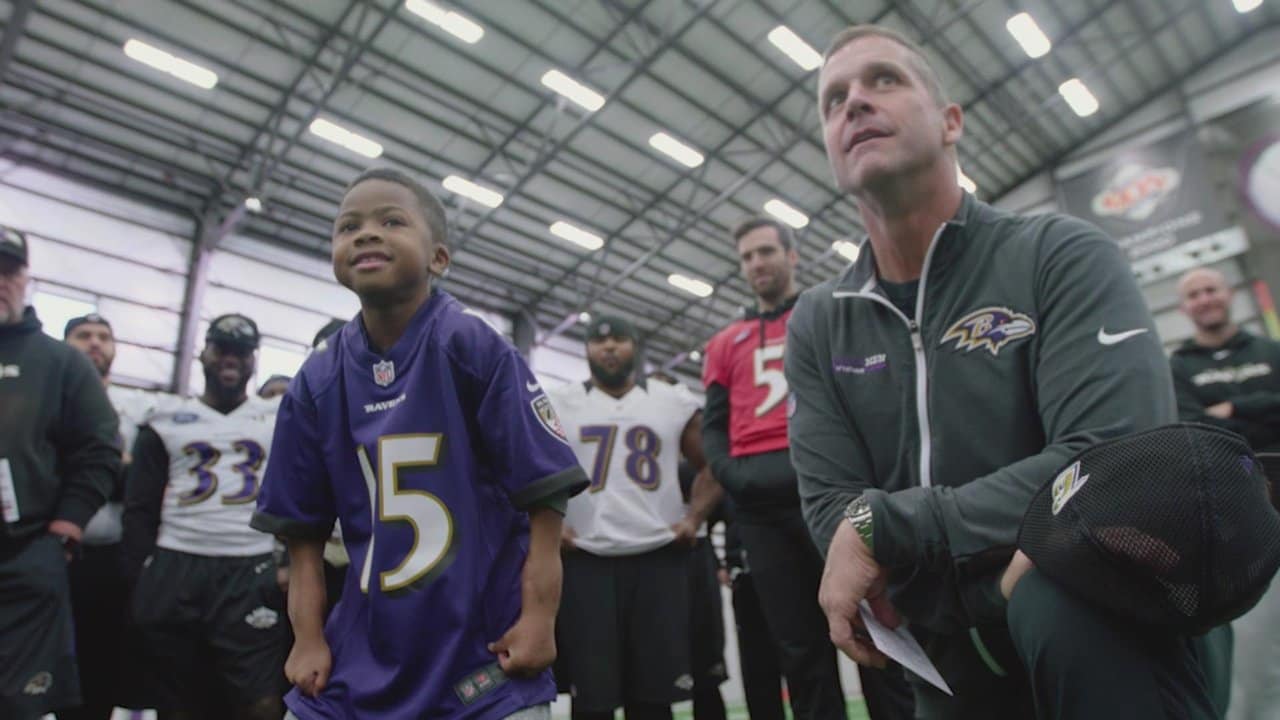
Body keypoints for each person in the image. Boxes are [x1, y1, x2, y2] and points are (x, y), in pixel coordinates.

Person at [788, 25, 1223, 719]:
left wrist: (890, 526)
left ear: (951, 121)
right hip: (939, 645)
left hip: (1097, 613)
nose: (854, 103)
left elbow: (1111, 461)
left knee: (1064, 590)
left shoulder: (1059, 254)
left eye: (884, 81)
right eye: (834, 99)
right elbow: (830, 511)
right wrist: (928, 566)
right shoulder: (817, 322)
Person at [251, 167, 588, 720]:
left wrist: (539, 618)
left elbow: (545, 495)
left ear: (439, 258)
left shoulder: (471, 346)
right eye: (348, 226)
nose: (365, 234)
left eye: (391, 221)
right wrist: (307, 638)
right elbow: (302, 535)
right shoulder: (315, 379)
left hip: (481, 658)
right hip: (360, 655)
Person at [701, 216, 912, 720]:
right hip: (759, 508)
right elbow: (712, 425)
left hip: (832, 490)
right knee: (797, 648)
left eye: (766, 252)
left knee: (874, 627)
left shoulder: (829, 313)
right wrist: (733, 477)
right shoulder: (724, 343)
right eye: (747, 256)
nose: (757, 264)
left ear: (792, 256)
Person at [549, 321, 720, 720]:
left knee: (654, 696)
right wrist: (551, 526)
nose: (609, 347)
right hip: (585, 558)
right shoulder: (560, 401)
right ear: (586, 350)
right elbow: (525, 468)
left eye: (619, 339)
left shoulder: (672, 399)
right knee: (591, 698)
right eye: (598, 340)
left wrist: (693, 518)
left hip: (657, 557)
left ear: (636, 346)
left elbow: (713, 467)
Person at [123, 313, 287, 720]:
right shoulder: (165, 420)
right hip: (178, 560)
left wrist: (287, 562)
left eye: (241, 352)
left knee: (262, 702)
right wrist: (143, 572)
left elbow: (300, 492)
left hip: (249, 564)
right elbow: (140, 506)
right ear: (204, 354)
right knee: (176, 700)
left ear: (254, 361)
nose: (230, 359)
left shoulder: (278, 417)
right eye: (222, 349)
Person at [0, 227, 120, 720]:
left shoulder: (63, 362)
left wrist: (65, 527)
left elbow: (99, 450)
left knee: (20, 704)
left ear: (26, 280)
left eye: (7, 271)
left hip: (27, 556)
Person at [1171, 267, 1280, 719]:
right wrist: (1264, 412)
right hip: (1236, 512)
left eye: (1211, 289)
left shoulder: (1268, 351)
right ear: (1184, 308)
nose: (1204, 299)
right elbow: (1192, 426)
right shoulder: (1179, 366)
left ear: (1229, 293)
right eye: (1193, 294)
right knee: (1258, 639)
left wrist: (1234, 407)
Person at [62, 313, 159, 719]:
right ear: (64, 345)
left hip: (114, 558)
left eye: (104, 336)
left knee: (102, 673)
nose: (95, 343)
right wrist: (118, 465)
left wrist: (96, 468)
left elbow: (145, 482)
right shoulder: (47, 398)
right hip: (54, 553)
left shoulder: (139, 407)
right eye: (83, 336)